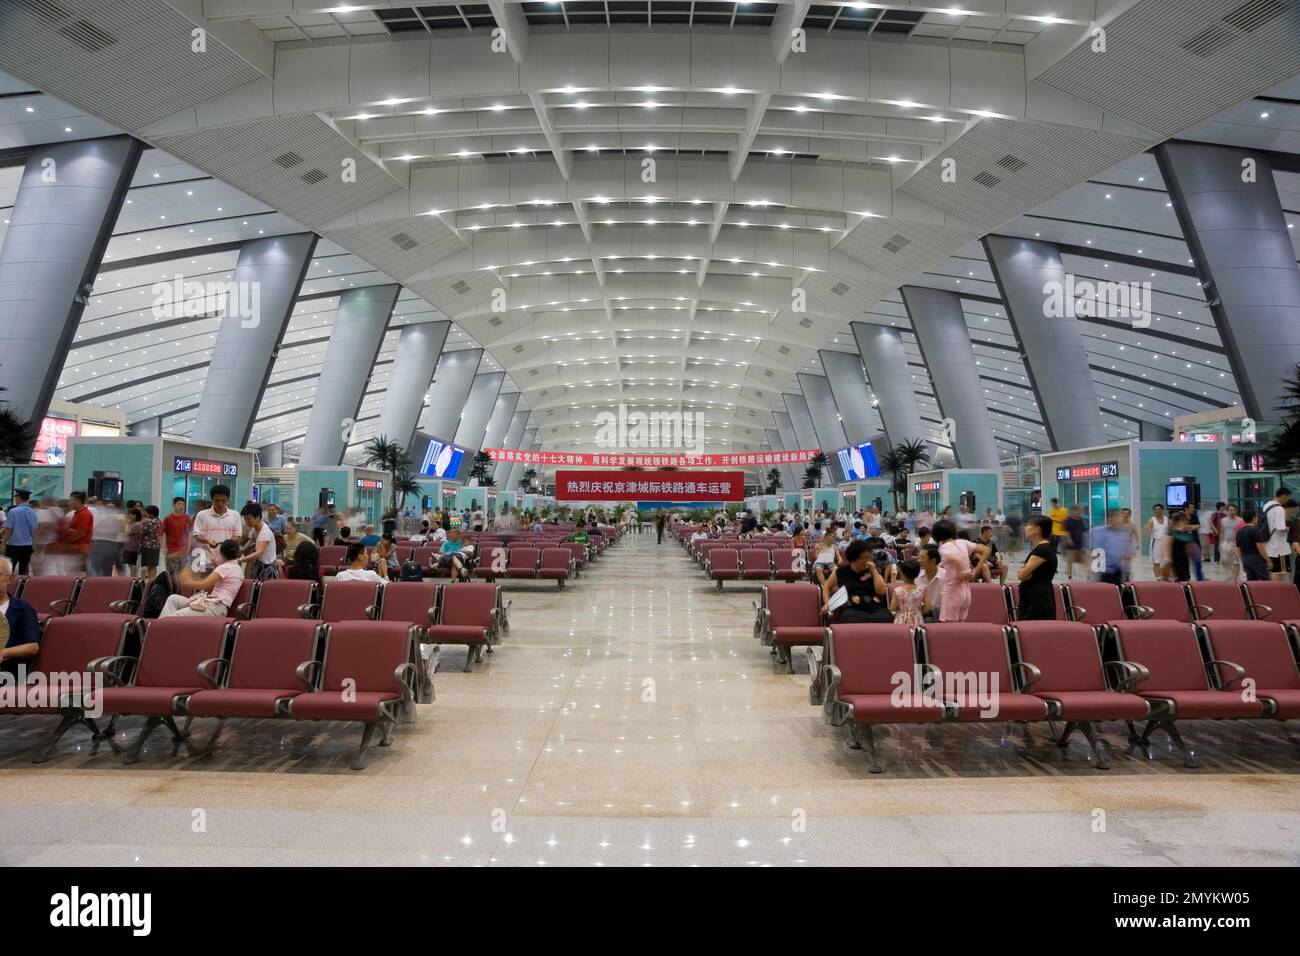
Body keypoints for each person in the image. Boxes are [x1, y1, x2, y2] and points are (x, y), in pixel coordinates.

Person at [160, 540, 244, 617]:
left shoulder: (225, 568)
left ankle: (161, 629)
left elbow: (203, 585)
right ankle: (162, 628)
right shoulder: (237, 568)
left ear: (222, 553)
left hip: (215, 608)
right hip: (213, 605)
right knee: (173, 599)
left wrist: (186, 581)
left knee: (176, 616)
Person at [820, 540, 891, 624]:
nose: (867, 561)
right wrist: (827, 603)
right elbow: (827, 587)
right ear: (853, 558)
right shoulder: (841, 572)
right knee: (848, 618)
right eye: (863, 558)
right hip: (852, 609)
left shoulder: (872, 570)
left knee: (886, 617)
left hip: (874, 607)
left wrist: (874, 571)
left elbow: (881, 591)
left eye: (868, 558)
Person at [932, 519, 988, 623]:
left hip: (953, 591)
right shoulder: (963, 542)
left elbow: (955, 558)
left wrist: (960, 572)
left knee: (951, 632)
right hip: (966, 592)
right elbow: (986, 550)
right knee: (962, 629)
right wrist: (975, 571)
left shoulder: (943, 548)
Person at [0, 556, 41, 676]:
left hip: (7, 674)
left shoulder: (21, 609)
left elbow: (32, 647)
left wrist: (3, 652)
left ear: (10, 578)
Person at [1017, 515, 1058, 620]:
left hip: (1036, 600)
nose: (1026, 528)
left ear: (1038, 529)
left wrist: (1023, 571)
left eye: (1029, 525)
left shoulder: (1042, 550)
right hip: (1036, 596)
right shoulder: (1044, 548)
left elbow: (1021, 575)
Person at [192, 485, 243, 562]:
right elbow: (197, 535)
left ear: (228, 499)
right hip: (207, 561)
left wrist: (224, 544)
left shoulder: (235, 515)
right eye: (217, 500)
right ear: (212, 499)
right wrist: (207, 541)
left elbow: (238, 536)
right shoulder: (202, 515)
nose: (220, 504)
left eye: (223, 500)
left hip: (227, 561)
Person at [1090, 509, 1133, 586]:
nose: (1115, 520)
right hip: (1105, 571)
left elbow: (1127, 555)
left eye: (1117, 517)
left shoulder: (1124, 533)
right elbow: (1096, 553)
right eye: (1112, 517)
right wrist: (1096, 575)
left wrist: (1127, 572)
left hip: (1118, 570)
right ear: (1108, 519)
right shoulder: (1100, 532)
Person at [238, 502, 279, 581]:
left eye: (249, 519)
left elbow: (258, 552)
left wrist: (240, 560)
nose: (246, 522)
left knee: (265, 591)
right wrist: (240, 551)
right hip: (258, 565)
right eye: (245, 519)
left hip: (267, 568)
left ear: (257, 517)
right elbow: (250, 544)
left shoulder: (264, 533)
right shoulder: (255, 528)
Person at [2, 489, 39, 575]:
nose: (15, 499)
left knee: (9, 570)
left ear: (19, 498)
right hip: (27, 546)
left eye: (16, 497)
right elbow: (34, 530)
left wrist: (4, 543)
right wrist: (34, 544)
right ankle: (22, 587)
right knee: (24, 570)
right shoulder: (33, 512)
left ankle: (9, 587)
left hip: (14, 546)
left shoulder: (13, 511)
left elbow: (8, 529)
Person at [1261, 487, 1292, 580]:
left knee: (1272, 571)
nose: (1287, 501)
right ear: (1283, 496)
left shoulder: (1266, 506)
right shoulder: (1279, 509)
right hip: (1279, 548)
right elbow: (1280, 528)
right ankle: (1277, 592)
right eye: (1287, 498)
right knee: (1279, 572)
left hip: (1268, 546)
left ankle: (1272, 591)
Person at [889, 558, 928, 629]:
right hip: (917, 619)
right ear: (917, 574)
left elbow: (892, 608)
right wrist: (918, 610)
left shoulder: (897, 590)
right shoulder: (922, 589)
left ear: (902, 573)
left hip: (901, 620)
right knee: (917, 636)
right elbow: (928, 607)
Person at [1236, 511, 1271, 582]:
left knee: (1251, 582)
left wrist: (1242, 561)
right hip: (1256, 559)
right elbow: (1260, 547)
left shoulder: (1239, 532)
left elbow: (1238, 549)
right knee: (1266, 580)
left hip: (1245, 559)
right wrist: (1268, 560)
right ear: (1254, 518)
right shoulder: (1255, 530)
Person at [162, 497, 192, 571]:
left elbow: (190, 534)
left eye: (183, 504)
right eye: (179, 504)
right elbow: (161, 534)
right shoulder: (168, 518)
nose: (181, 506)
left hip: (183, 550)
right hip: (171, 550)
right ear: (173, 505)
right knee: (171, 573)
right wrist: (164, 548)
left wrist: (189, 547)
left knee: (182, 574)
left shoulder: (187, 518)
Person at [1218, 504, 1244, 584]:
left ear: (1236, 511)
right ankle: (1232, 573)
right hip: (1226, 542)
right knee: (1224, 560)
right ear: (1227, 511)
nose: (1231, 512)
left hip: (1237, 543)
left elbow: (1242, 533)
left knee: (1236, 561)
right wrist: (1220, 543)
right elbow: (1222, 532)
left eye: (1233, 510)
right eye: (1230, 510)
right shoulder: (1223, 520)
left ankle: (1235, 578)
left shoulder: (1240, 520)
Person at [1146, 504, 1170, 581]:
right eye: (1155, 509)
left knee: (1167, 561)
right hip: (1156, 543)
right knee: (1156, 561)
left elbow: (1170, 530)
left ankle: (1165, 576)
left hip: (1166, 543)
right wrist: (1154, 537)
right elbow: (1149, 531)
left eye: (1159, 509)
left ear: (1162, 510)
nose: (1157, 511)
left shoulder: (1166, 519)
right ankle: (1158, 578)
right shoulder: (1152, 520)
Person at [138, 505, 162, 580]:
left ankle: (150, 581)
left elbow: (142, 531)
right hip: (156, 546)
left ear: (151, 514)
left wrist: (142, 523)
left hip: (148, 546)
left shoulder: (149, 521)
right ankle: (153, 580)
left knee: (150, 565)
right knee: (153, 565)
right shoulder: (159, 521)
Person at [122, 506, 144, 576]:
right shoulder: (134, 524)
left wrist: (128, 523)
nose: (129, 516)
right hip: (129, 547)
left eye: (130, 514)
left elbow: (127, 532)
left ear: (135, 515)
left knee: (132, 565)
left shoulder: (137, 524)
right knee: (130, 564)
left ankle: (134, 579)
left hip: (132, 547)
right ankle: (133, 577)